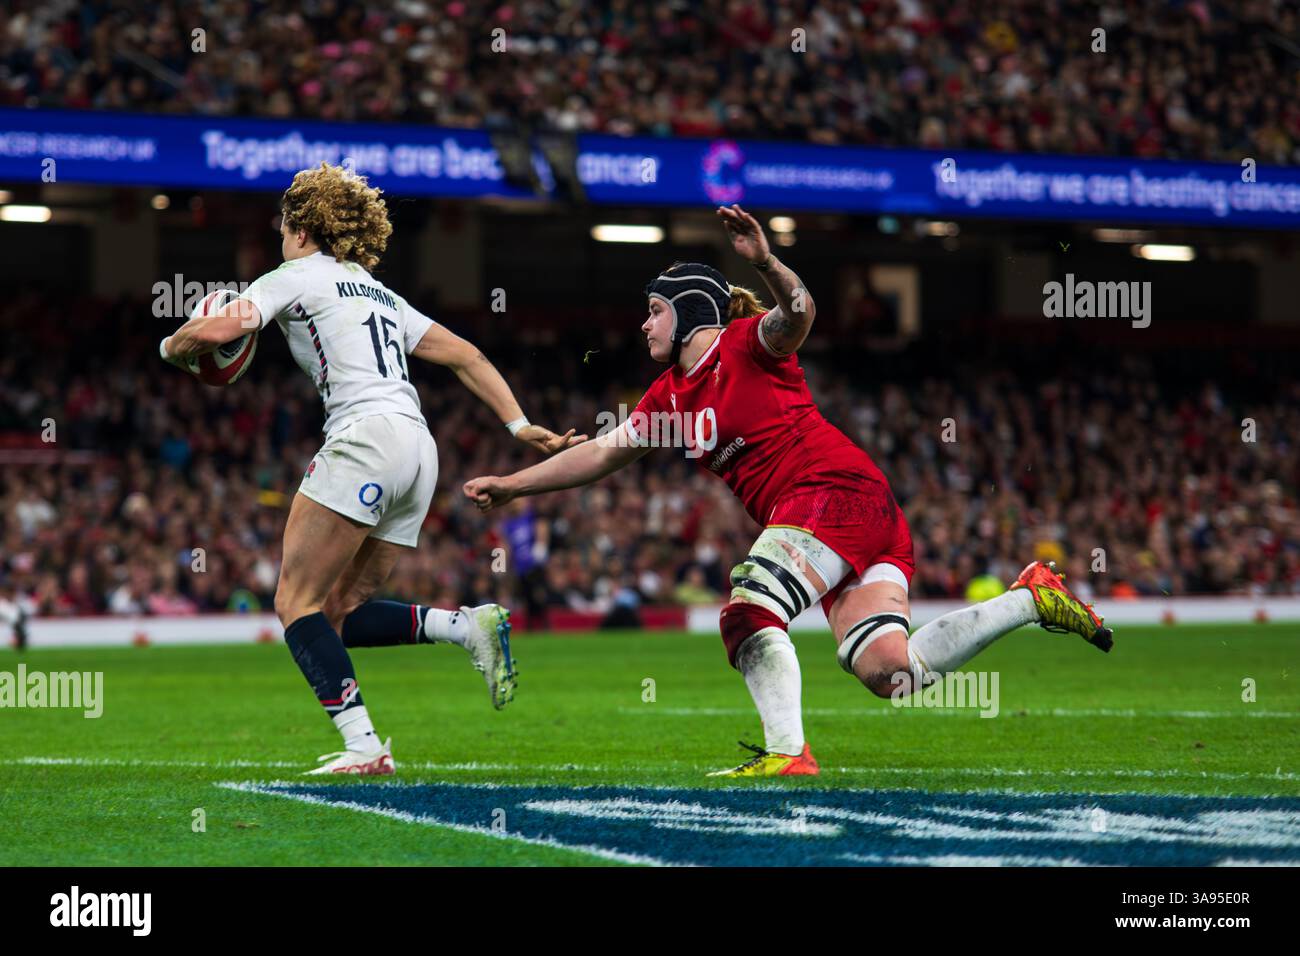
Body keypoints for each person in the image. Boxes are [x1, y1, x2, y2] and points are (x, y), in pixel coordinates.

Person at [464, 204, 1112, 777]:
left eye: (655, 311)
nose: (644, 325)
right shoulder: (668, 397)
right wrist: (514, 487)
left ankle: (788, 753)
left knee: (749, 606)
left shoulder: (748, 344)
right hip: (856, 512)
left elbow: (799, 313)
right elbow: (601, 455)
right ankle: (1030, 600)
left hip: (830, 493)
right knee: (892, 672)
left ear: (692, 312)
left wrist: (768, 261)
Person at [160, 162, 584, 775]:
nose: (281, 238)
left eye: (284, 226)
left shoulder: (292, 274)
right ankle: (465, 628)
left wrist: (173, 345)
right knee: (336, 611)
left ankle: (364, 747)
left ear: (302, 228)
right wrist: (519, 426)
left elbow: (232, 323)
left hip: (363, 439)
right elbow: (465, 354)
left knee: (294, 602)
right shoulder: (378, 293)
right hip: (419, 449)